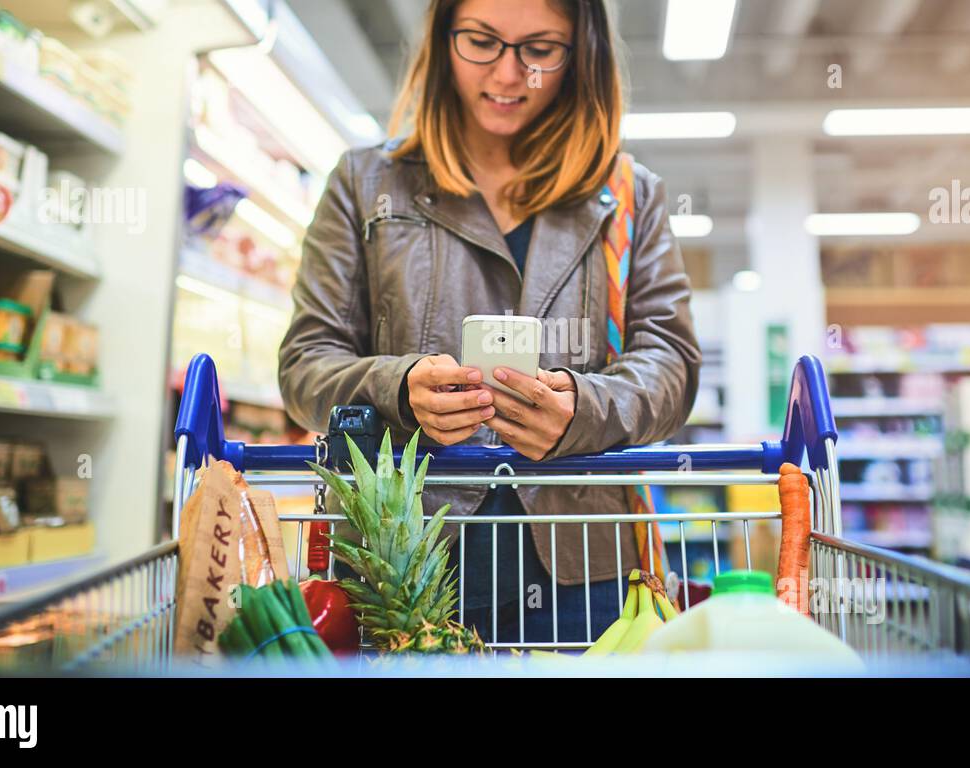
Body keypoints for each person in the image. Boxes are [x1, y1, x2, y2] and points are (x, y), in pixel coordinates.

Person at [278, 0, 700, 645]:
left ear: (581, 54)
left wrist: (585, 406)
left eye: (539, 49)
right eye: (481, 41)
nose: (508, 75)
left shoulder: (629, 194)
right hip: (399, 565)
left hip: (582, 566)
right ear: (442, 41)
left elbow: (671, 363)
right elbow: (306, 363)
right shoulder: (365, 183)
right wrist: (397, 389)